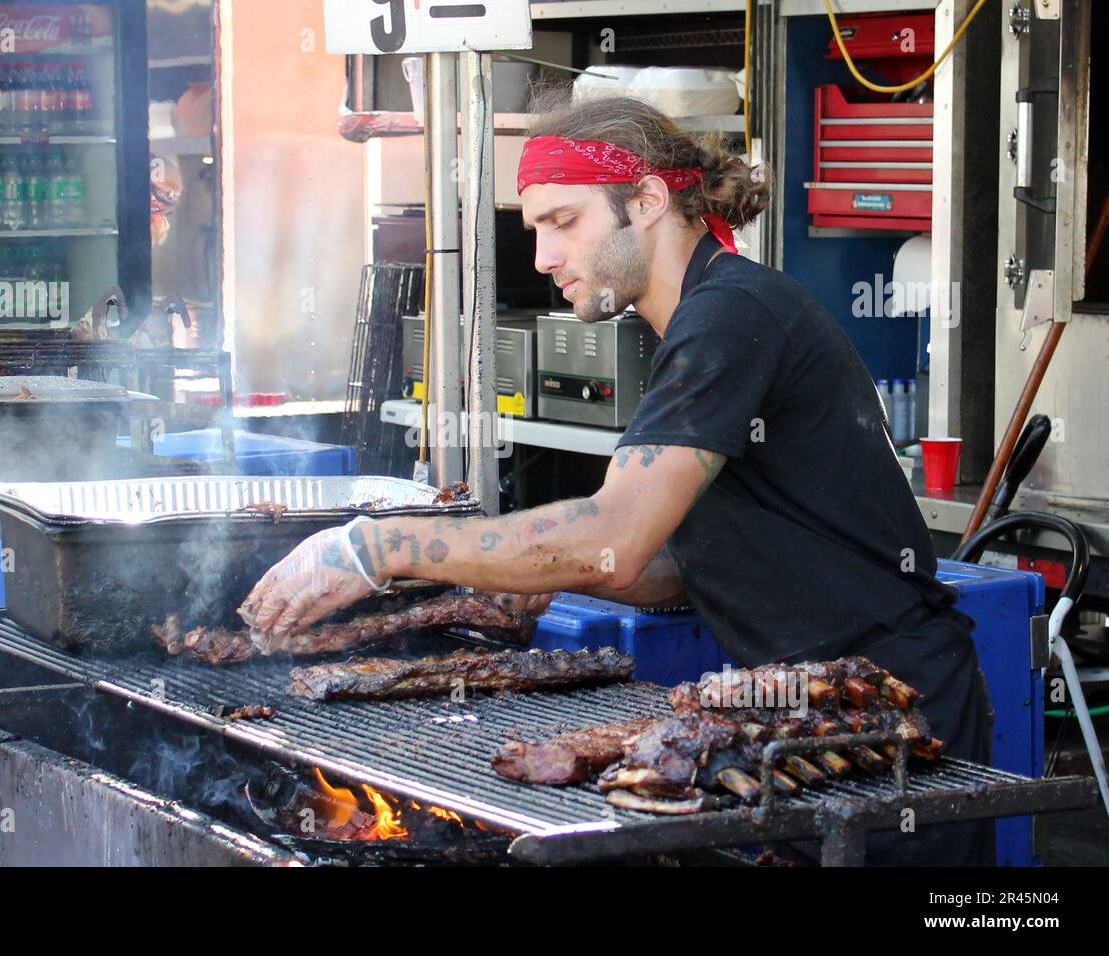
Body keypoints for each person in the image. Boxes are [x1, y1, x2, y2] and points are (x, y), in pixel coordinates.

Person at [243, 95, 993, 865]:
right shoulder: (698, 324)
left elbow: (617, 537)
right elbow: (681, 563)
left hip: (889, 711)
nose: (541, 256)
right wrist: (549, 576)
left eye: (563, 221)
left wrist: (380, 545)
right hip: (804, 709)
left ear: (647, 200)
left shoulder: (731, 316)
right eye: (535, 226)